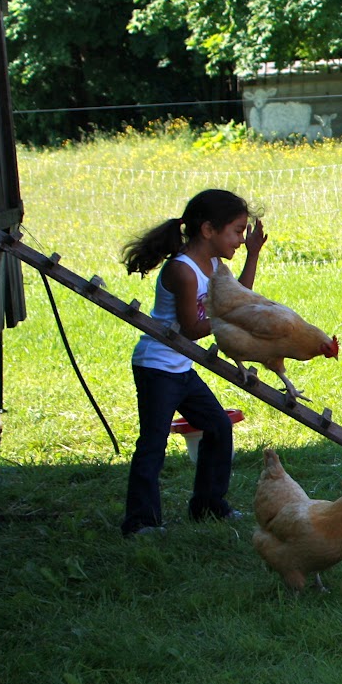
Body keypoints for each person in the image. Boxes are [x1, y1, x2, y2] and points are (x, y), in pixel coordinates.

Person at [119, 189, 267, 536]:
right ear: (208, 230)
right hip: (157, 367)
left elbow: (238, 299)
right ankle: (139, 522)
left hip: (181, 367)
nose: (241, 239)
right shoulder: (183, 271)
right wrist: (230, 322)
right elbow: (190, 327)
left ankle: (209, 506)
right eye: (237, 230)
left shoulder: (215, 265)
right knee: (152, 444)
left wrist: (254, 256)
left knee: (217, 426)